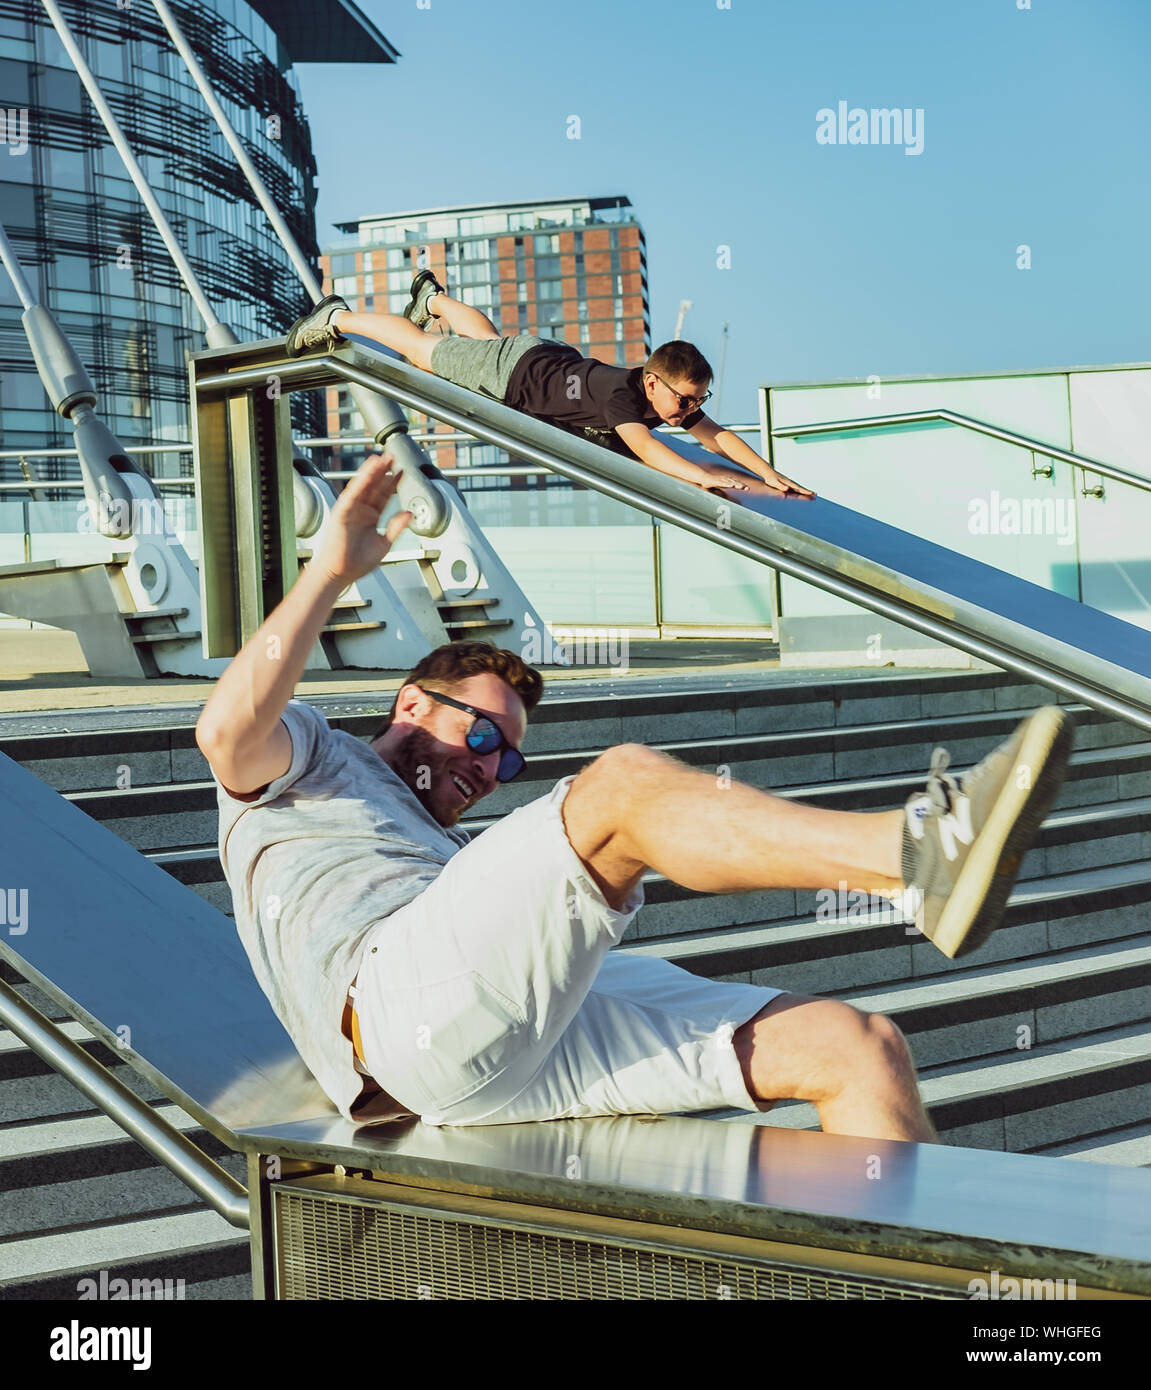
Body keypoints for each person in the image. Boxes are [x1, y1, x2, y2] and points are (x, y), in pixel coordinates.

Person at [196, 454, 1073, 1139]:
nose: (488, 770)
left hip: (501, 1038)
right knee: (618, 785)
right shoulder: (317, 762)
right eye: (482, 736)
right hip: (390, 1012)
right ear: (412, 703)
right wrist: (330, 573)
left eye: (506, 764)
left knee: (855, 1047)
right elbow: (225, 734)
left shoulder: (447, 859)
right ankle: (911, 855)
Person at [284, 272, 814, 500]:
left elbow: (719, 437)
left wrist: (772, 475)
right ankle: (340, 317)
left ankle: (434, 300)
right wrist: (701, 479)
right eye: (685, 399)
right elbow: (647, 450)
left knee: (484, 342)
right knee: (424, 354)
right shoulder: (624, 397)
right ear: (653, 382)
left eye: (699, 400)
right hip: (516, 374)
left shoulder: (667, 399)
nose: (691, 410)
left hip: (542, 360)